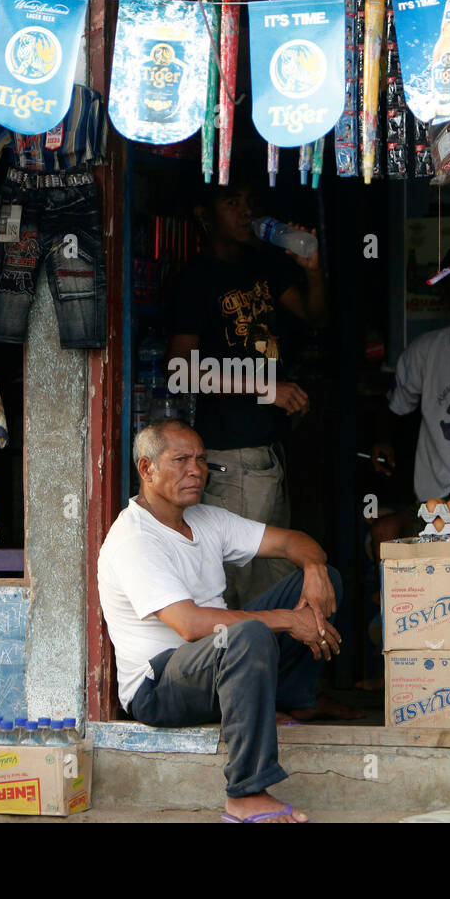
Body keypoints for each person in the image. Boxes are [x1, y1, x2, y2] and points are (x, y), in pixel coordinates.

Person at [99, 419, 348, 823]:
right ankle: (245, 794)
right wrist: (287, 619)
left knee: (323, 581)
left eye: (201, 460)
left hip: (216, 663)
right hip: (160, 685)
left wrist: (315, 567)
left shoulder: (207, 519)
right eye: (180, 460)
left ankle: (289, 699)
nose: (196, 470)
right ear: (147, 469)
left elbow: (292, 541)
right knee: (246, 634)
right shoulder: (134, 538)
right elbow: (191, 625)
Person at [168, 180, 330, 607]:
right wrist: (265, 389)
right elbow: (180, 370)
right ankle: (231, 668)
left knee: (275, 582)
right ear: (205, 215)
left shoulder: (264, 266)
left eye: (248, 201)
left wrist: (312, 269)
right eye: (231, 201)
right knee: (233, 586)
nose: (244, 212)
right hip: (231, 457)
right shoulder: (196, 280)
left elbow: (315, 316)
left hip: (267, 453)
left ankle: (270, 669)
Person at [368, 240, 450, 546]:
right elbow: (395, 408)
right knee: (383, 533)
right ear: (443, 287)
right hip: (435, 503)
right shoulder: (425, 352)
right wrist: (383, 440)